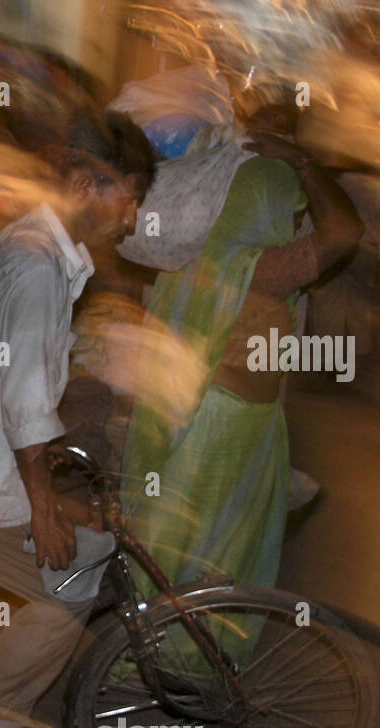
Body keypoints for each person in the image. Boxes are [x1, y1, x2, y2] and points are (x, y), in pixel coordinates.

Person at [119, 128, 362, 599]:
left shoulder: (211, 260)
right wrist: (305, 162)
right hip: (220, 429)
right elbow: (346, 231)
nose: (299, 223)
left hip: (241, 426)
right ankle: (168, 650)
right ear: (258, 206)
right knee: (201, 552)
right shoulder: (262, 268)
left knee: (195, 547)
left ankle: (175, 645)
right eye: (291, 211)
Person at [0, 150, 140, 728]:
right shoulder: (37, 266)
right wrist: (44, 506)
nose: (133, 218)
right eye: (128, 197)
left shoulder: (33, 245)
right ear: (86, 185)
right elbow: (24, 402)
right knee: (73, 584)